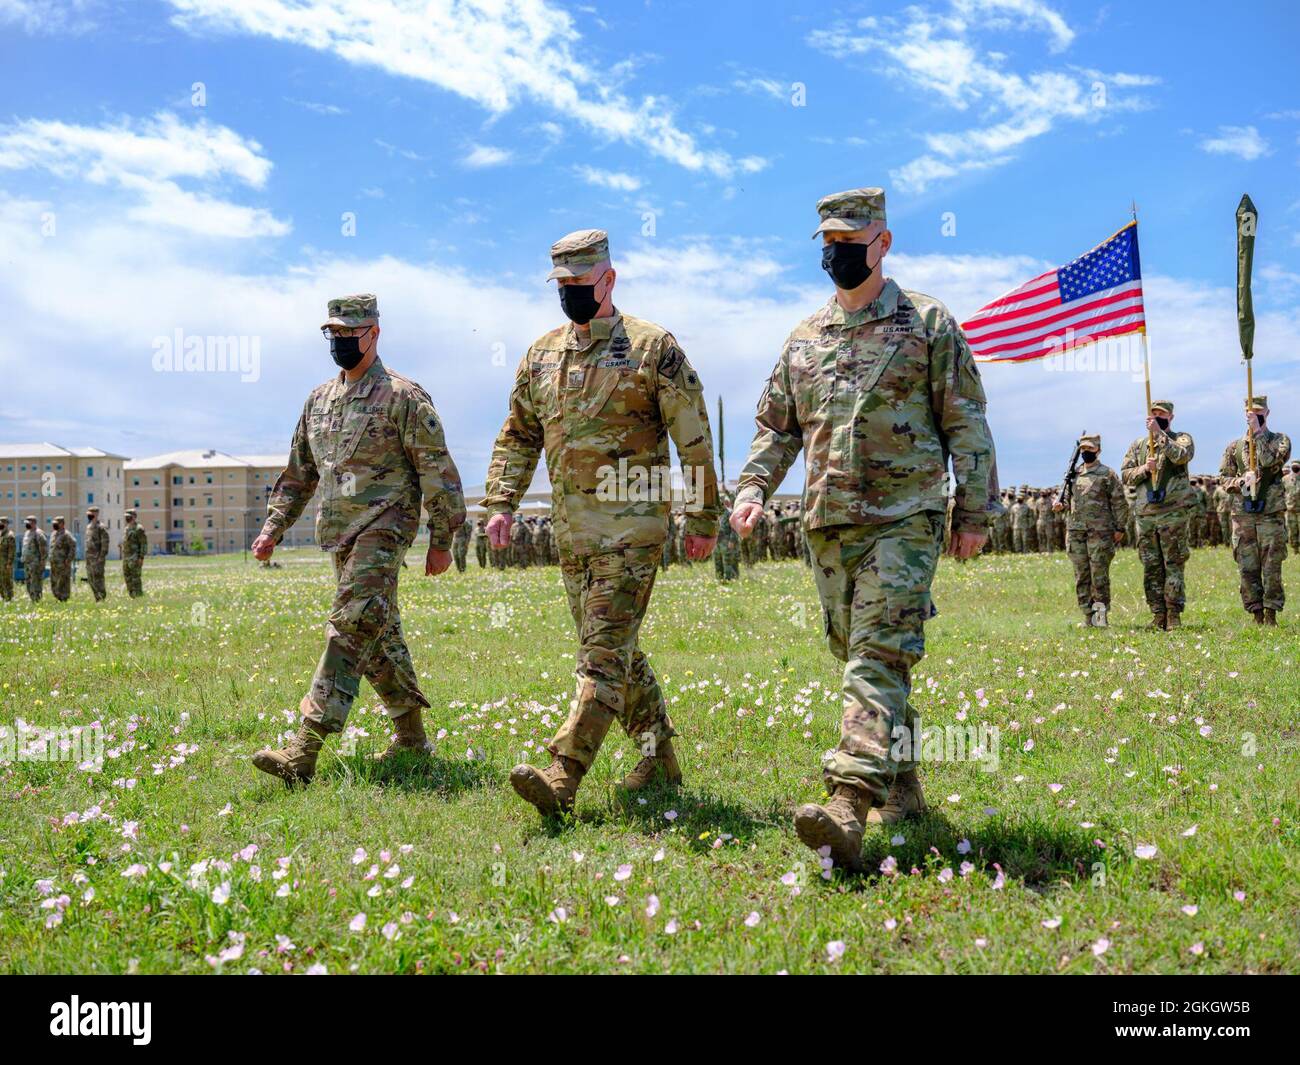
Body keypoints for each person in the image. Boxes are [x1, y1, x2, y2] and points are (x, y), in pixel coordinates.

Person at [731, 187, 994, 869]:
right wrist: (754, 486)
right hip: (828, 527)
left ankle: (847, 804)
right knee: (862, 655)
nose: (838, 253)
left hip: (906, 518)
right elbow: (775, 426)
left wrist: (974, 509)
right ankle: (903, 787)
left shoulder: (927, 323)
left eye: (852, 242)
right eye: (830, 243)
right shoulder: (804, 338)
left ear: (883, 242)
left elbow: (966, 419)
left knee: (875, 656)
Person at [483, 228, 719, 816]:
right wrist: (500, 502)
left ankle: (562, 774)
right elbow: (518, 434)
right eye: (561, 285)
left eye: (580, 284)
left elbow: (694, 438)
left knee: (603, 657)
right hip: (574, 533)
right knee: (618, 653)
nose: (569, 295)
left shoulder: (652, 347)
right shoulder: (541, 355)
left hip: (632, 528)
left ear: (608, 280)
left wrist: (704, 514)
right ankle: (659, 757)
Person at [250, 294, 465, 784]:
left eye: (352, 332)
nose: (343, 341)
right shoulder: (319, 400)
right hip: (339, 533)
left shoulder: (403, 397)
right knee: (377, 635)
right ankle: (412, 737)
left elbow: (437, 470)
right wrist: (272, 529)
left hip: (385, 529)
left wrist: (442, 537)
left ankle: (304, 748)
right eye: (335, 333)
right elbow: (299, 472)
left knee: (348, 626)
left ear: (374, 333)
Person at [1120, 401, 1195, 630]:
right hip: (1146, 515)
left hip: (1172, 512)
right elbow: (1125, 475)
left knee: (1173, 563)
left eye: (1161, 414)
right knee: (1151, 566)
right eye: (1153, 414)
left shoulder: (1181, 438)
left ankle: (1173, 614)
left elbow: (1182, 456)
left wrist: (1159, 434)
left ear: (1170, 416)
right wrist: (1144, 469)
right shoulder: (1138, 446)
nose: (1157, 417)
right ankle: (1157, 614)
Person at [1218, 396, 1291, 624]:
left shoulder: (1280, 440)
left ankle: (1271, 613)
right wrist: (1240, 482)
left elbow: (1271, 461)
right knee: (1247, 565)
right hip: (1243, 515)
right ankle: (1256, 612)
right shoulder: (1234, 447)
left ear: (1267, 413)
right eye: (1251, 411)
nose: (1255, 414)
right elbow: (1224, 479)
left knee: (1271, 564)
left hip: (1270, 513)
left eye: (1259, 411)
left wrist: (1257, 434)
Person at [1054, 434, 1126, 626]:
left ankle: (1100, 618)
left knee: (1099, 577)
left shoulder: (1107, 474)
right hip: (1076, 532)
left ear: (1098, 451)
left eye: (1090, 450)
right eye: (1083, 450)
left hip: (1100, 533)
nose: (1086, 453)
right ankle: (1088, 616)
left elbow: (1119, 503)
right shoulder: (1073, 474)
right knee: (1081, 576)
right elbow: (1067, 499)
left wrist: (1120, 527)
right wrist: (1060, 504)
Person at [84, 505, 110, 601]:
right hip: (89, 559)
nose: (89, 516)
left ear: (96, 514)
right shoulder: (88, 527)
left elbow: (105, 543)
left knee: (98, 579)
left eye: (90, 514)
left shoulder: (101, 527)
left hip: (97, 558)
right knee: (91, 579)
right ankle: (97, 597)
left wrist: (101, 557)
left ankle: (101, 598)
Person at [121, 510, 148, 597]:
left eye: (129, 516)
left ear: (134, 517)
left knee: (136, 578)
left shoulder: (139, 529)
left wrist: (141, 557)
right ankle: (132, 596)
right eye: (126, 517)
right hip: (126, 558)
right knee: (127, 578)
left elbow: (143, 544)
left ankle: (139, 596)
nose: (127, 518)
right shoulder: (126, 528)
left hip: (135, 557)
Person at [48, 517, 76, 601]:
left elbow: (73, 547)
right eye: (54, 523)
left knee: (63, 582)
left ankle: (64, 599)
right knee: (54, 581)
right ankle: (57, 597)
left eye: (57, 523)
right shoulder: (53, 534)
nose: (54, 524)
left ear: (62, 524)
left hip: (63, 563)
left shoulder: (66, 534)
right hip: (54, 563)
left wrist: (68, 559)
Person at [22, 516, 48, 602]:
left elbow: (44, 550)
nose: (26, 524)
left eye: (28, 523)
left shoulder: (39, 534)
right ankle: (32, 599)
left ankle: (37, 600)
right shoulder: (27, 533)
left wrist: (42, 563)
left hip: (35, 563)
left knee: (35, 582)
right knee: (28, 582)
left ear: (33, 523)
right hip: (27, 562)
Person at [0, 518, 14, 602]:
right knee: (1, 582)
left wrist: (9, 563)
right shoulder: (1, 535)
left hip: (6, 564)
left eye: (2, 523)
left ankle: (9, 599)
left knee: (7, 581)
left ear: (6, 524)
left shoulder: (10, 535)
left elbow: (11, 551)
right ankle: (3, 597)